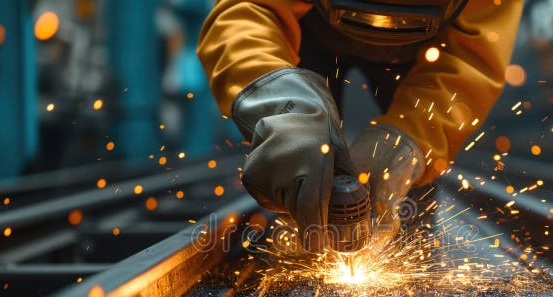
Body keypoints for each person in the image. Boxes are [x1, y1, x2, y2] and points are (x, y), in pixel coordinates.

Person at [197, 0, 522, 251]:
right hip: (305, 30)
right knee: (301, 175)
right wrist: (278, 101)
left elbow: (471, 58)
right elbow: (248, 12)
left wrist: (412, 138)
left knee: (411, 206)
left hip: (427, 56)